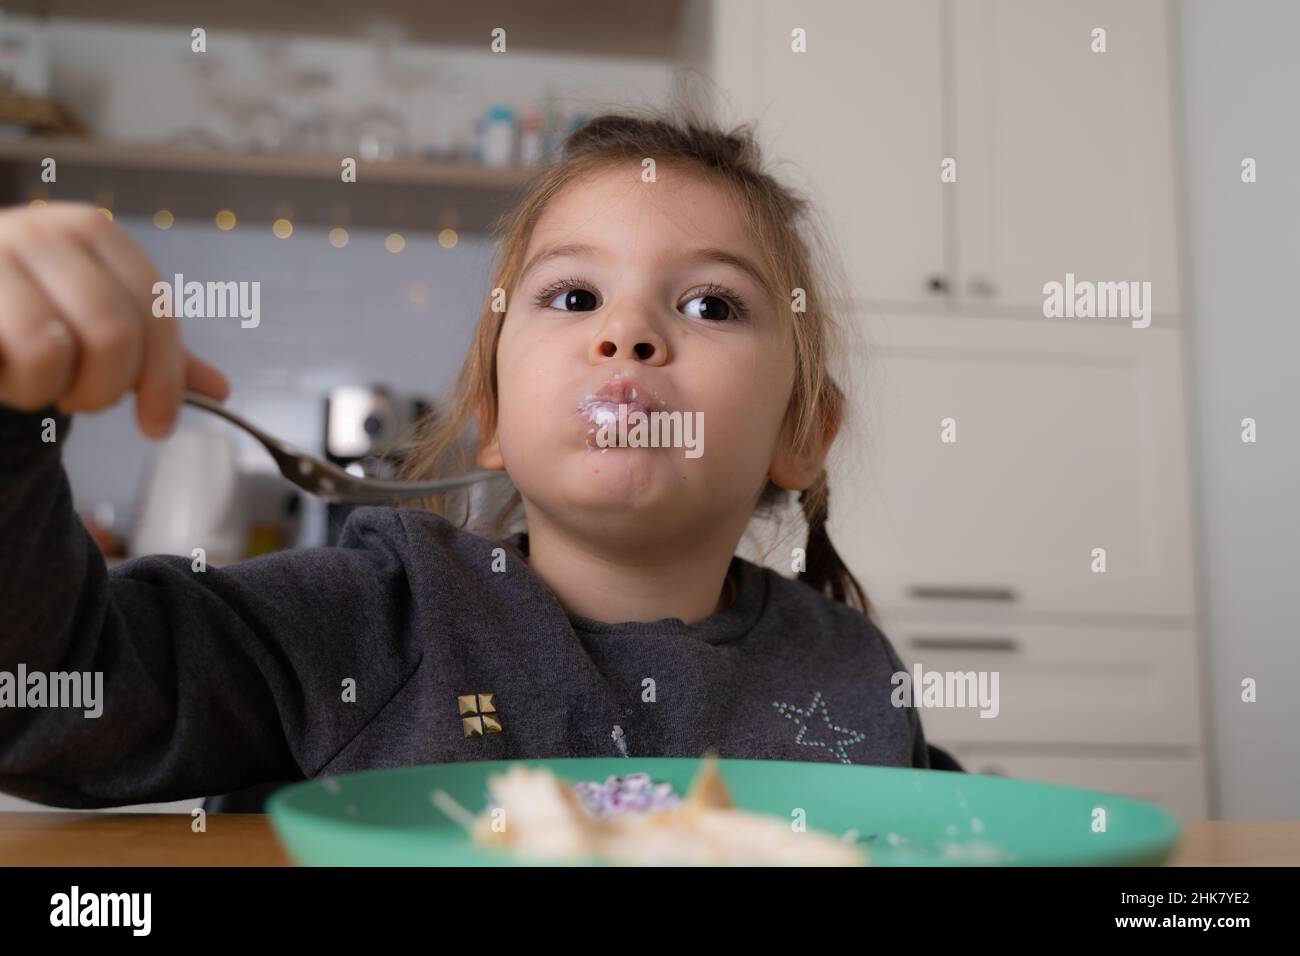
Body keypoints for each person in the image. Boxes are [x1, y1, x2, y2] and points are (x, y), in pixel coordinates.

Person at [0, 109, 934, 812]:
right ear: (492, 417)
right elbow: (42, 704)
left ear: (801, 433)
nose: (628, 333)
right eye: (573, 297)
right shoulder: (363, 622)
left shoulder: (849, 668)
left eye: (711, 305)